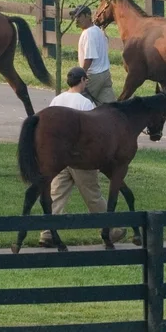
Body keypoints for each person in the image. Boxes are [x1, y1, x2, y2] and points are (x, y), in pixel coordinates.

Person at [39, 66, 124, 247]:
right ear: (83, 80)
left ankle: (47, 232)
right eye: (86, 80)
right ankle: (112, 230)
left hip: (59, 157)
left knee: (56, 194)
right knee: (93, 195)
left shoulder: (57, 99)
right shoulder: (85, 104)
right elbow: (92, 131)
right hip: (80, 157)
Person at [73, 5, 115, 105]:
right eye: (75, 17)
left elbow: (89, 58)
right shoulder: (98, 30)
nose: (76, 20)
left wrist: (81, 76)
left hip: (93, 76)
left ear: (88, 15)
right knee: (109, 107)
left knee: (78, 103)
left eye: (79, 16)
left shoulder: (89, 33)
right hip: (105, 74)